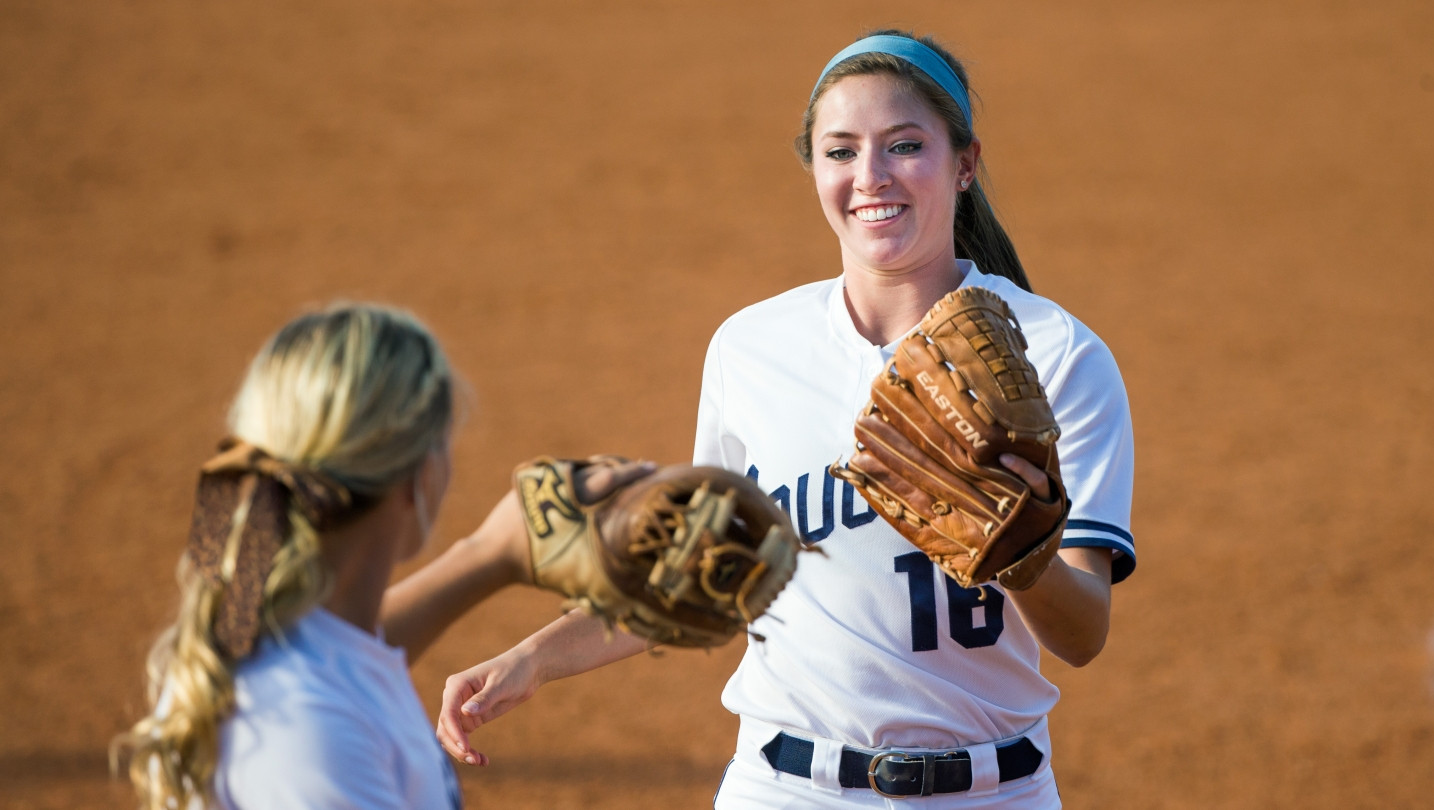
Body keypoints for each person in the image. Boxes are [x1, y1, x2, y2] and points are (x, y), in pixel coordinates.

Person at [436, 30, 1135, 809]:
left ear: (964, 163)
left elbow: (1082, 636)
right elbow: (698, 576)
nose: (870, 176)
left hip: (992, 793)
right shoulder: (751, 348)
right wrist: (533, 658)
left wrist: (1020, 552)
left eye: (905, 145)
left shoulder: (1053, 355)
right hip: (786, 789)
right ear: (814, 168)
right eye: (840, 152)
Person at [112, 303, 652, 809]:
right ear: (418, 480)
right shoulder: (310, 740)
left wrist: (492, 556)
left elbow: (346, 654)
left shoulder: (254, 651)